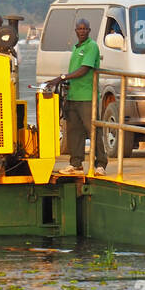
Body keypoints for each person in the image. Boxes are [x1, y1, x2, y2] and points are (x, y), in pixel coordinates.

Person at [45, 17, 106, 175]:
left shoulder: (91, 47)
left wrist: (62, 77)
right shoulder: (75, 48)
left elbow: (84, 69)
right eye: (79, 29)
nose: (82, 31)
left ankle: (100, 164)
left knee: (93, 130)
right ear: (75, 31)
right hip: (73, 95)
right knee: (74, 131)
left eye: (85, 29)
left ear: (89, 31)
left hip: (87, 96)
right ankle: (76, 163)